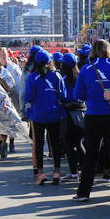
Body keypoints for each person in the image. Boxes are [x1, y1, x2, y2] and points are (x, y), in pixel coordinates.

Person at [73, 40, 110, 200]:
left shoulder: (86, 69)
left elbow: (78, 95)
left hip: (93, 115)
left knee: (91, 154)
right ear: (109, 50)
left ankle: (83, 192)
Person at [23, 50, 66, 185]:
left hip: (38, 114)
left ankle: (40, 173)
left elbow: (28, 96)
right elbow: (63, 95)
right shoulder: (57, 76)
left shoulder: (33, 76)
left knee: (39, 144)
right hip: (54, 114)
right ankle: (57, 171)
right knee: (54, 143)